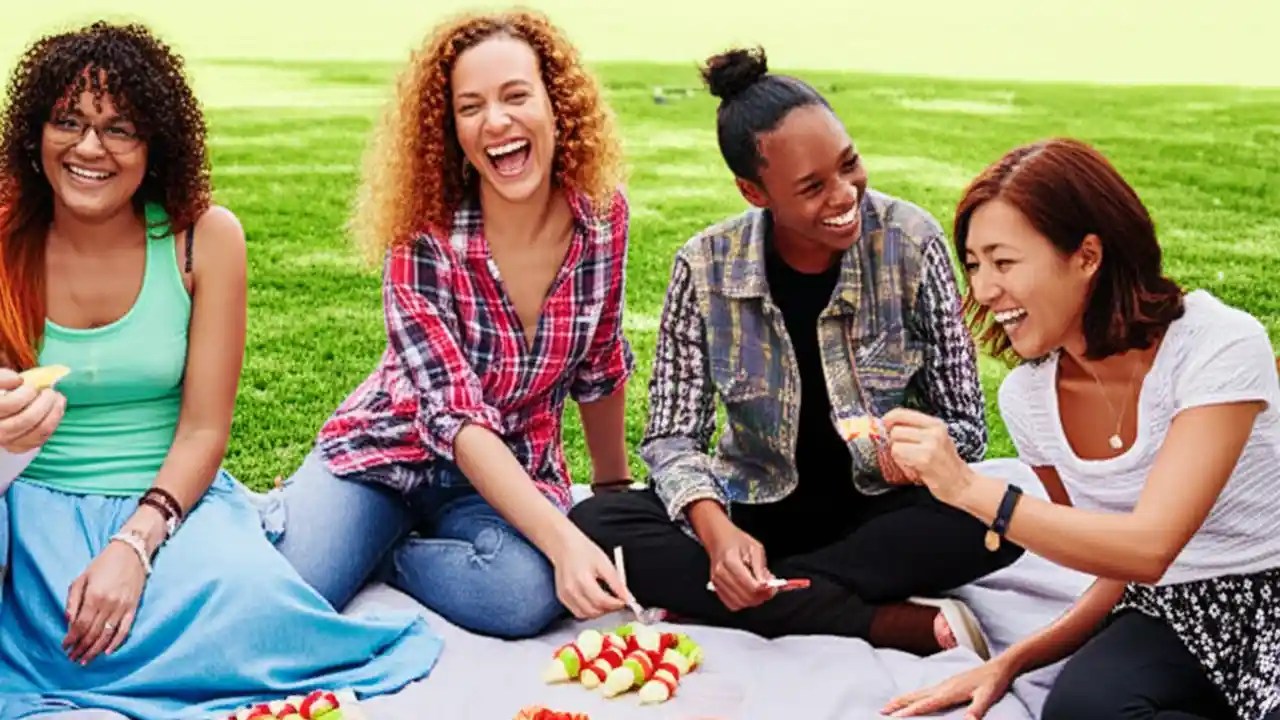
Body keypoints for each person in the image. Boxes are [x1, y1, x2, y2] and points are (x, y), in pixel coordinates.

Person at [0, 22, 442, 720]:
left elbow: (204, 431)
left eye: (119, 129)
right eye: (69, 122)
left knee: (258, 616)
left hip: (164, 502)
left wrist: (134, 545)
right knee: (56, 632)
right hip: (25, 508)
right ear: (36, 133)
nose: (89, 148)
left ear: (155, 145)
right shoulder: (5, 235)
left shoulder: (203, 240)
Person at [569, 46, 1022, 657]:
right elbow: (672, 440)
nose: (845, 194)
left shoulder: (912, 242)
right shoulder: (705, 266)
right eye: (812, 187)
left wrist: (916, 452)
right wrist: (717, 533)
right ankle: (872, 621)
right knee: (598, 524)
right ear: (753, 192)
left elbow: (966, 425)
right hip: (753, 509)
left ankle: (753, 595)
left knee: (999, 518)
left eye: (849, 164)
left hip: (883, 513)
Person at [263, 8, 637, 640]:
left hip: (509, 471)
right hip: (390, 452)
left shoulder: (601, 219)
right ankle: (361, 534)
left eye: (516, 96)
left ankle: (390, 553)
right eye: (471, 107)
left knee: (522, 598)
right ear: (452, 129)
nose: (496, 121)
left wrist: (612, 490)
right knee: (291, 590)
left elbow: (601, 362)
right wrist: (563, 540)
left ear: (557, 105)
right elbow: (456, 416)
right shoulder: (421, 236)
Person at [880, 138, 1280, 720]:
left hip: (1272, 585)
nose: (984, 290)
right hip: (1172, 610)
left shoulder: (1217, 346)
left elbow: (1149, 547)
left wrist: (968, 488)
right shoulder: (1029, 399)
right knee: (1077, 711)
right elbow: (1118, 565)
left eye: (1003, 262)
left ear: (1088, 256)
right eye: (974, 264)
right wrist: (1010, 663)